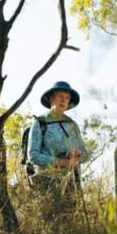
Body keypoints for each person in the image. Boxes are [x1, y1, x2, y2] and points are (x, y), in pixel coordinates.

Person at [27, 81, 89, 216]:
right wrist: (59, 162)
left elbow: (86, 154)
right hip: (46, 182)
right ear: (51, 99)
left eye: (67, 98)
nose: (64, 100)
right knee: (49, 224)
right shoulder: (40, 123)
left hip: (71, 183)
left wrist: (77, 153)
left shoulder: (72, 125)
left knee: (70, 224)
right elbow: (33, 156)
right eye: (60, 96)